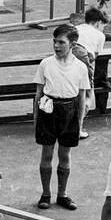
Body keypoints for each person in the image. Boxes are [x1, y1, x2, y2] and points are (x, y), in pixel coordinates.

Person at [34, 23, 87, 210]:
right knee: (47, 153)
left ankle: (62, 194)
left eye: (61, 42)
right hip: (48, 110)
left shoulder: (80, 67)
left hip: (70, 111)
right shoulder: (46, 64)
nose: (56, 46)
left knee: (65, 153)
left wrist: (79, 122)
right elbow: (38, 94)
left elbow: (81, 97)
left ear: (72, 44)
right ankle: (45, 194)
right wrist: (36, 120)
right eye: (54, 42)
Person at [73, 5, 107, 140]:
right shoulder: (100, 35)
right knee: (87, 95)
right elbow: (93, 57)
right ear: (98, 22)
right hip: (82, 56)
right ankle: (77, 128)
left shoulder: (75, 28)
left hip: (67, 56)